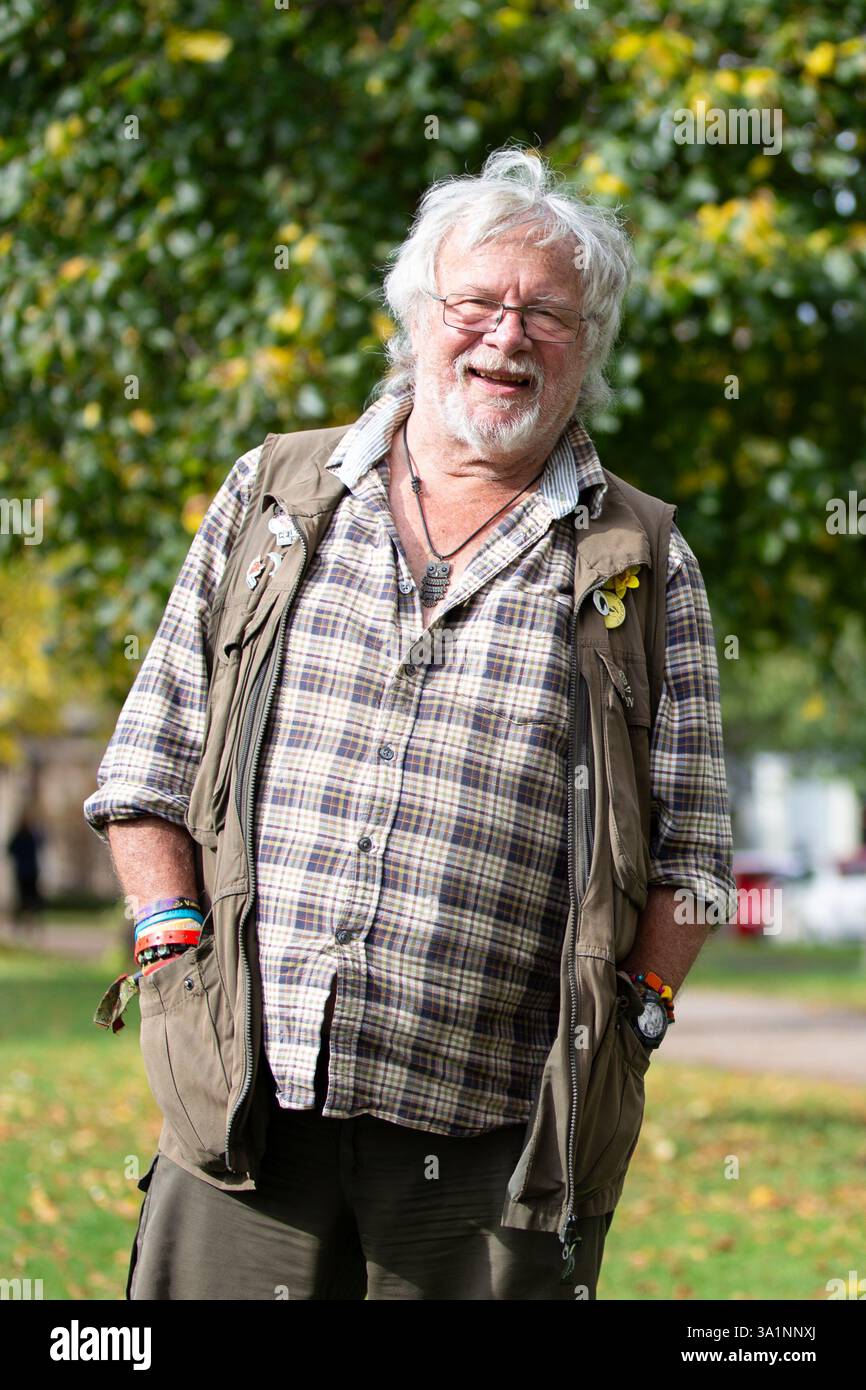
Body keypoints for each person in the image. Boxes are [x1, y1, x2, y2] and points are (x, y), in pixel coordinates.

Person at [84, 145, 735, 1300]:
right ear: (413, 319)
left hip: (494, 1143)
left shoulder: (638, 560)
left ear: (587, 347)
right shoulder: (276, 496)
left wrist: (632, 1014)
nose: (506, 336)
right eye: (475, 303)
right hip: (242, 1109)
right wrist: (170, 942)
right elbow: (150, 761)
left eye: (546, 313)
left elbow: (692, 854)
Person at [7, 811, 44, 933]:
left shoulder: (29, 836)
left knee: (28, 900)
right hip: (25, 872)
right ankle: (21, 925)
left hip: (28, 871)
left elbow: (41, 844)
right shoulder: (23, 836)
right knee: (25, 900)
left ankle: (27, 925)